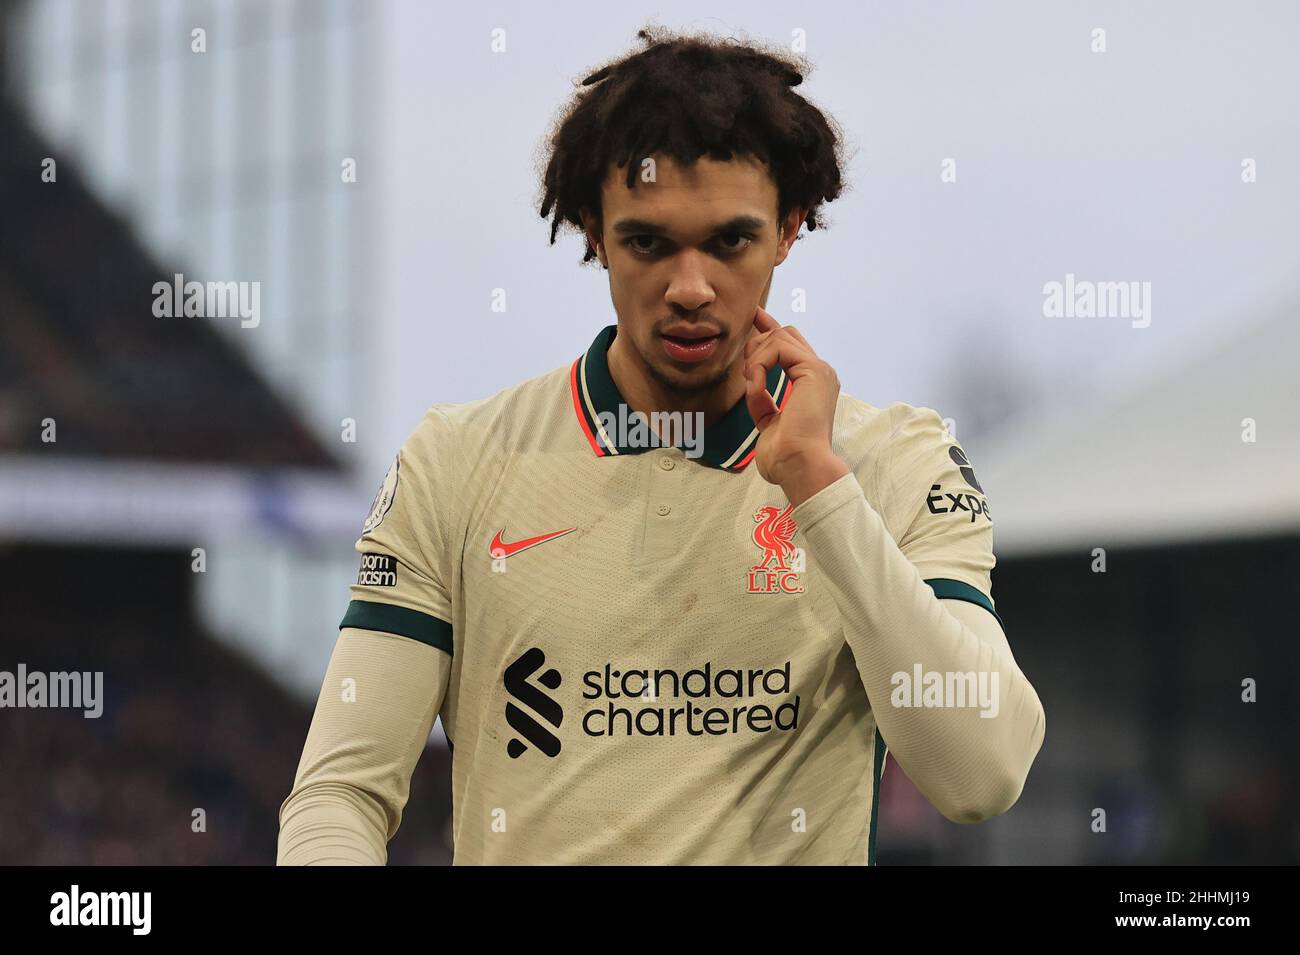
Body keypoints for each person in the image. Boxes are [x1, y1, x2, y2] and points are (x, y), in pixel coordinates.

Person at [278, 27, 1044, 865]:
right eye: (648, 242)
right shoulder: (456, 463)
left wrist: (820, 489)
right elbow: (340, 793)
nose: (689, 287)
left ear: (789, 229)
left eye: (729, 242)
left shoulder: (895, 461)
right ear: (593, 231)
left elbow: (982, 773)